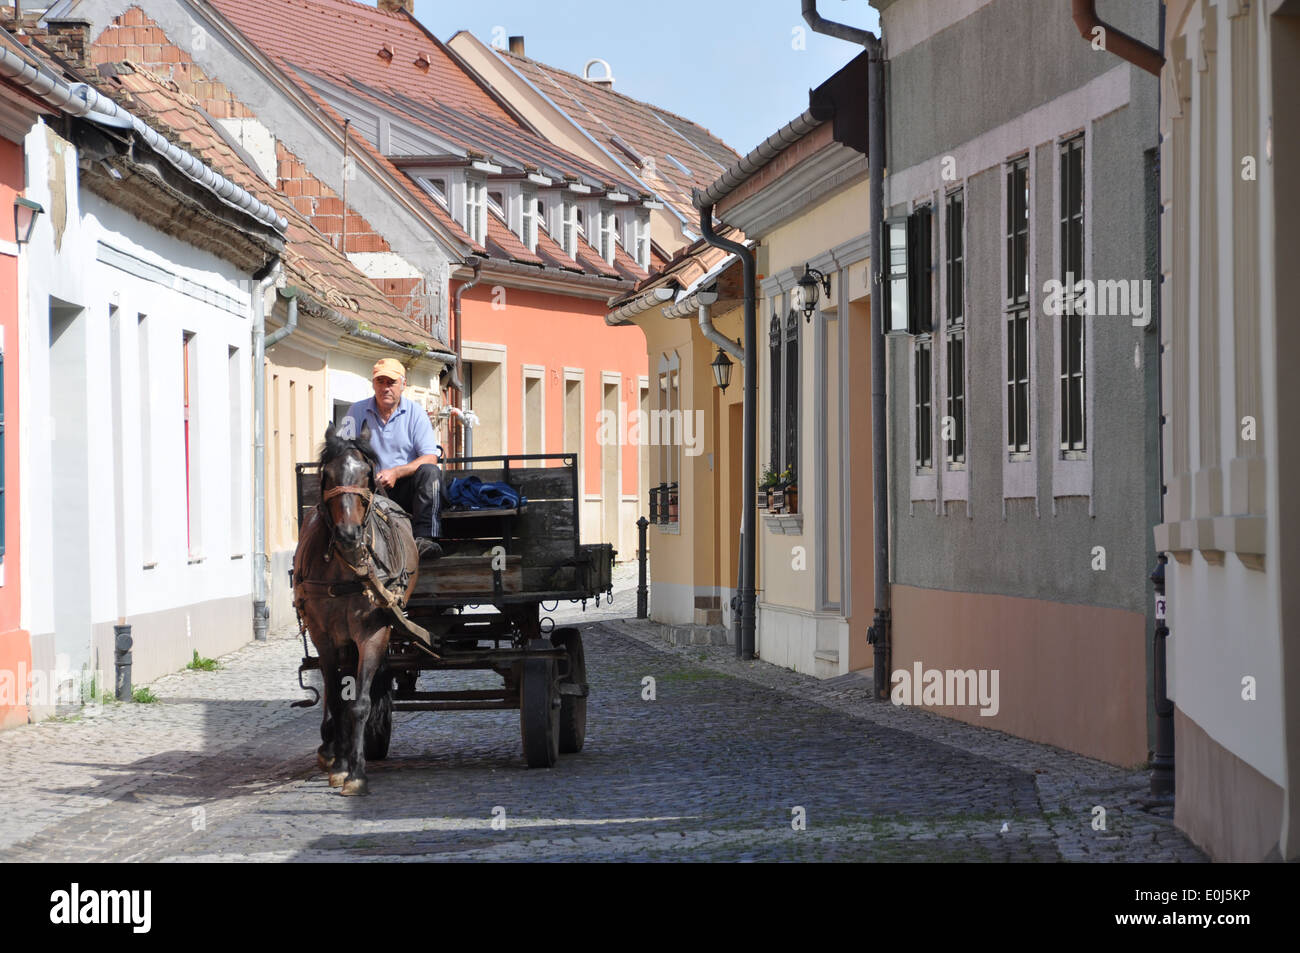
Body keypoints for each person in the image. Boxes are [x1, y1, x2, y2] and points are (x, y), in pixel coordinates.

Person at [341, 358, 443, 558]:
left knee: (430, 472)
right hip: (368, 487)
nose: (385, 388)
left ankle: (425, 539)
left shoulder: (416, 413)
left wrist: (396, 472)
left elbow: (431, 457)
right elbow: (344, 453)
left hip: (407, 488)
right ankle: (345, 540)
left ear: (403, 385)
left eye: (391, 382)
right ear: (373, 384)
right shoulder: (355, 411)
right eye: (380, 382)